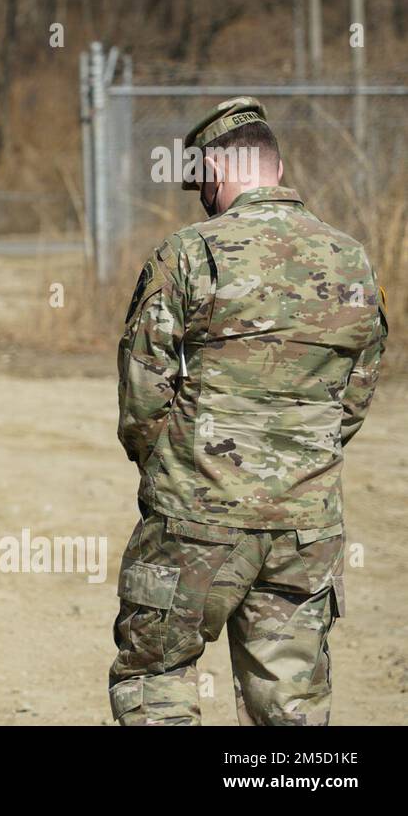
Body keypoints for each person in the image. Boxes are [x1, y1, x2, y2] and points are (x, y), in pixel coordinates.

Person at [109, 97, 387, 725]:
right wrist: (299, 453)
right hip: (305, 523)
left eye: (200, 181)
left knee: (157, 676)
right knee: (289, 701)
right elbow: (357, 391)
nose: (200, 196)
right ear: (277, 165)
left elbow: (142, 395)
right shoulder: (352, 260)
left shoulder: (186, 253)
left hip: (196, 512)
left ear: (216, 169)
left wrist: (175, 465)